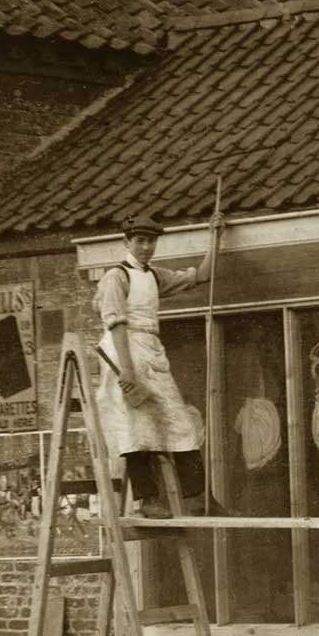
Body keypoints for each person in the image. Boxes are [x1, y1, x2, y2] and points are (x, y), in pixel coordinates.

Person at [93, 215, 226, 519]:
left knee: (180, 421)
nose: (146, 247)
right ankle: (147, 499)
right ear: (127, 241)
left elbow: (201, 275)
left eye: (151, 241)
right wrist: (126, 370)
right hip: (124, 350)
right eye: (139, 240)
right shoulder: (116, 277)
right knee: (136, 426)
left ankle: (198, 497)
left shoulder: (154, 276)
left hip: (152, 350)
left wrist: (214, 238)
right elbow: (114, 323)